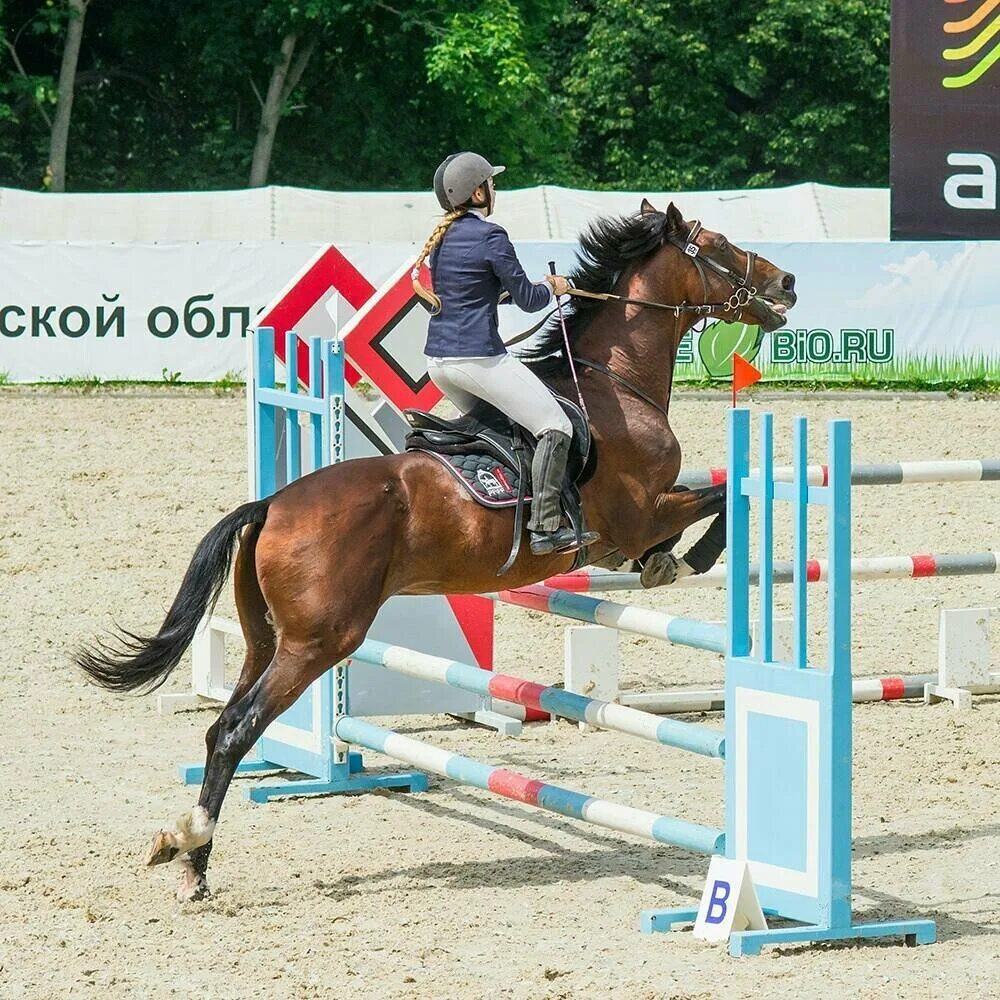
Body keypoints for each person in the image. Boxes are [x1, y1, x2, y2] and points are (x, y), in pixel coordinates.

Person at [412, 151, 599, 557]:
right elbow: (531, 300)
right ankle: (546, 528)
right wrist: (555, 287)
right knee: (555, 426)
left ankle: (506, 504)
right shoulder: (491, 235)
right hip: (477, 359)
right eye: (491, 184)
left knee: (505, 427)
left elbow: (476, 292)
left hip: (439, 364)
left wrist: (512, 292)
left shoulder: (443, 238)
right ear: (478, 192)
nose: (494, 190)